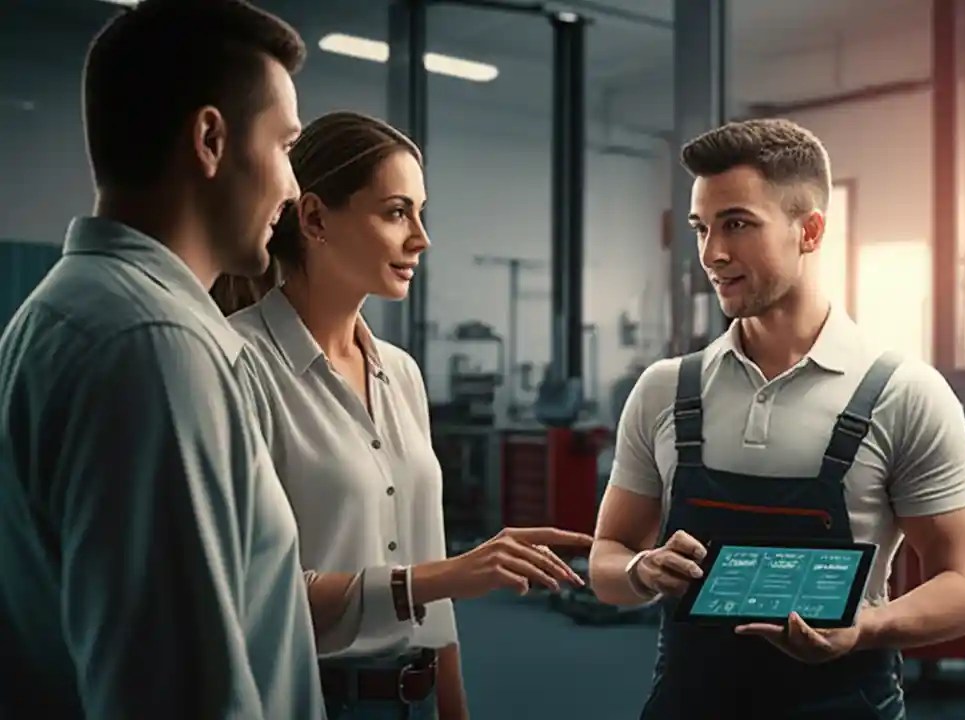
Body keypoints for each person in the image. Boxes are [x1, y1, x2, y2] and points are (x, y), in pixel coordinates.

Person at [588, 118, 965, 719]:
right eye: (702, 228)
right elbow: (606, 560)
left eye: (737, 224)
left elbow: (964, 588)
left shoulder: (905, 394)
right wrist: (641, 570)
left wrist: (867, 627)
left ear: (810, 231)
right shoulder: (664, 391)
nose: (712, 254)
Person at [209, 111, 595, 720]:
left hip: (415, 697)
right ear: (315, 219)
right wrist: (440, 577)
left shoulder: (401, 372)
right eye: (396, 212)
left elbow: (431, 585)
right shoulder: (237, 363)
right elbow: (248, 592)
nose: (421, 238)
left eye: (421, 213)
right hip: (307, 699)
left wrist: (452, 706)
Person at [0, 2, 325, 719]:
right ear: (210, 140)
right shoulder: (155, 347)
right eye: (284, 147)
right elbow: (181, 696)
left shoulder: (69, 312)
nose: (293, 188)